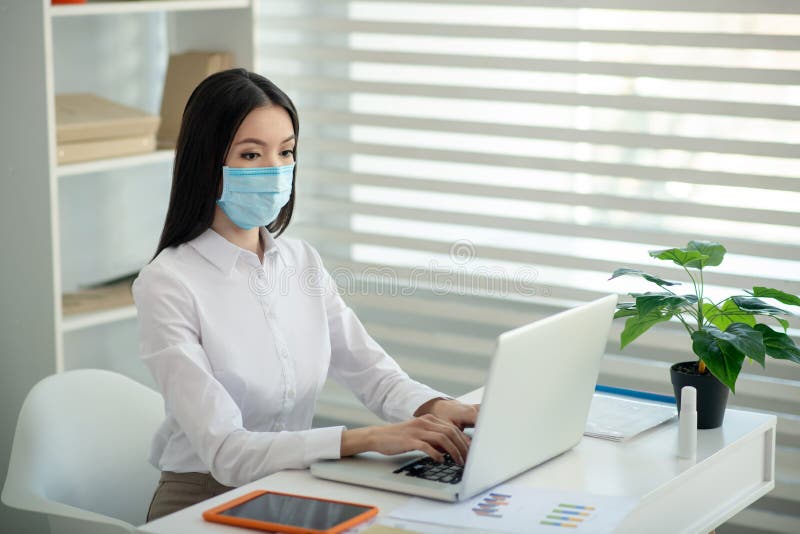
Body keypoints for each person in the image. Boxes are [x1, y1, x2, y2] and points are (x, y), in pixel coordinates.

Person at [133, 68, 479, 522]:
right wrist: (368, 439)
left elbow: (374, 374)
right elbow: (227, 451)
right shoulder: (168, 283)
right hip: (202, 500)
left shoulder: (302, 263)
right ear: (207, 161)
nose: (274, 169)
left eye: (286, 151)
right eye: (251, 154)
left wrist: (441, 409)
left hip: (290, 484)